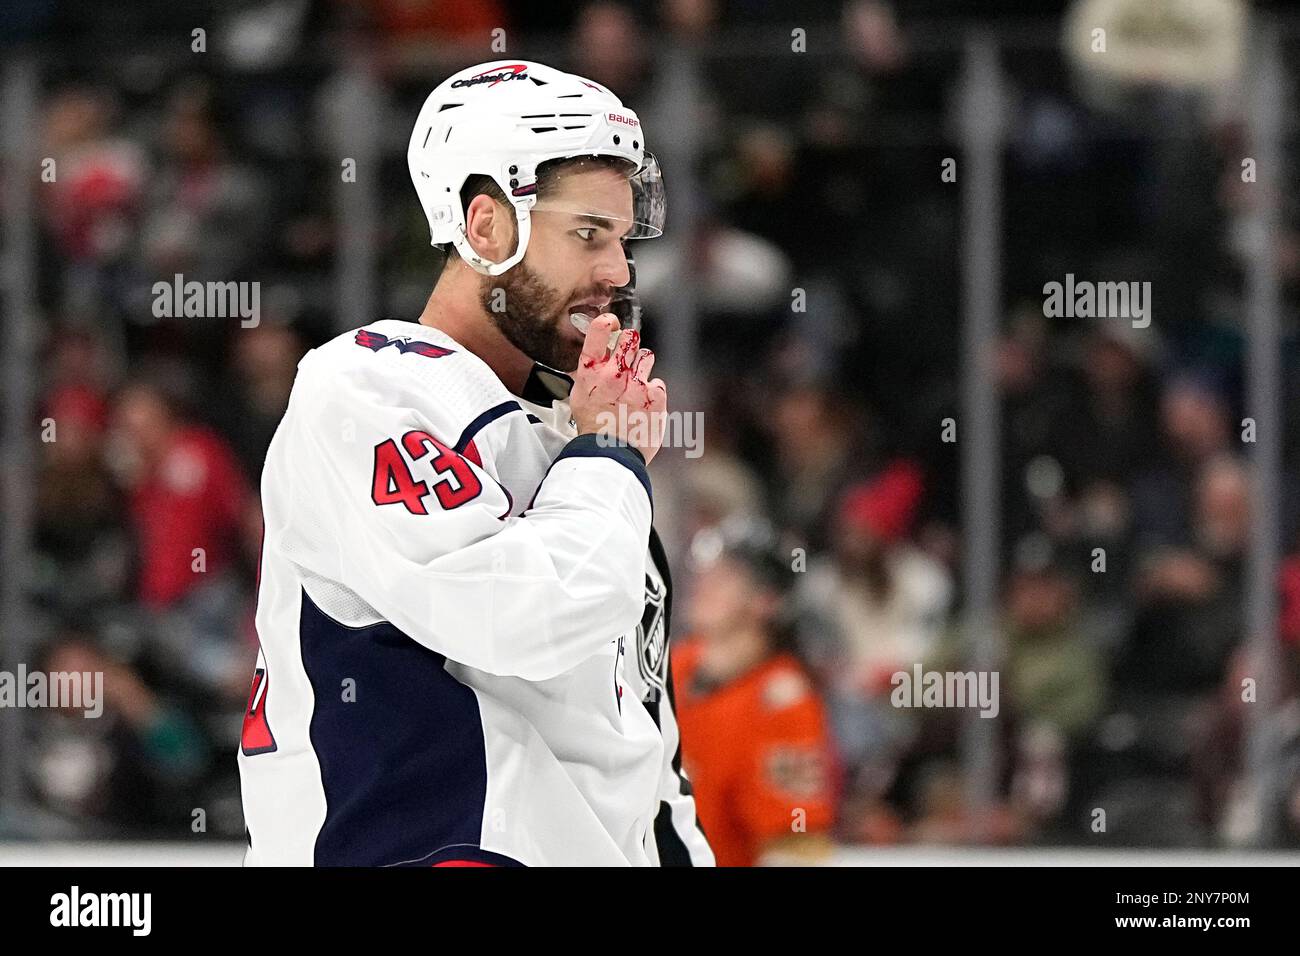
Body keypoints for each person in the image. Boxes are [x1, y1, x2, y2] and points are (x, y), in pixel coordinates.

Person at [238, 60, 714, 866]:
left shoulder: (586, 457)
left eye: (624, 240)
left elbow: (643, 761)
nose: (619, 272)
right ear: (486, 226)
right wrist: (607, 455)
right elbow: (519, 617)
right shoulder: (368, 386)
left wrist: (602, 456)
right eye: (588, 234)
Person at [672, 520, 838, 866]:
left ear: (765, 600)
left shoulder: (782, 702)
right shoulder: (674, 666)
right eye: (706, 571)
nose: (705, 583)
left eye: (726, 576)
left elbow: (796, 848)